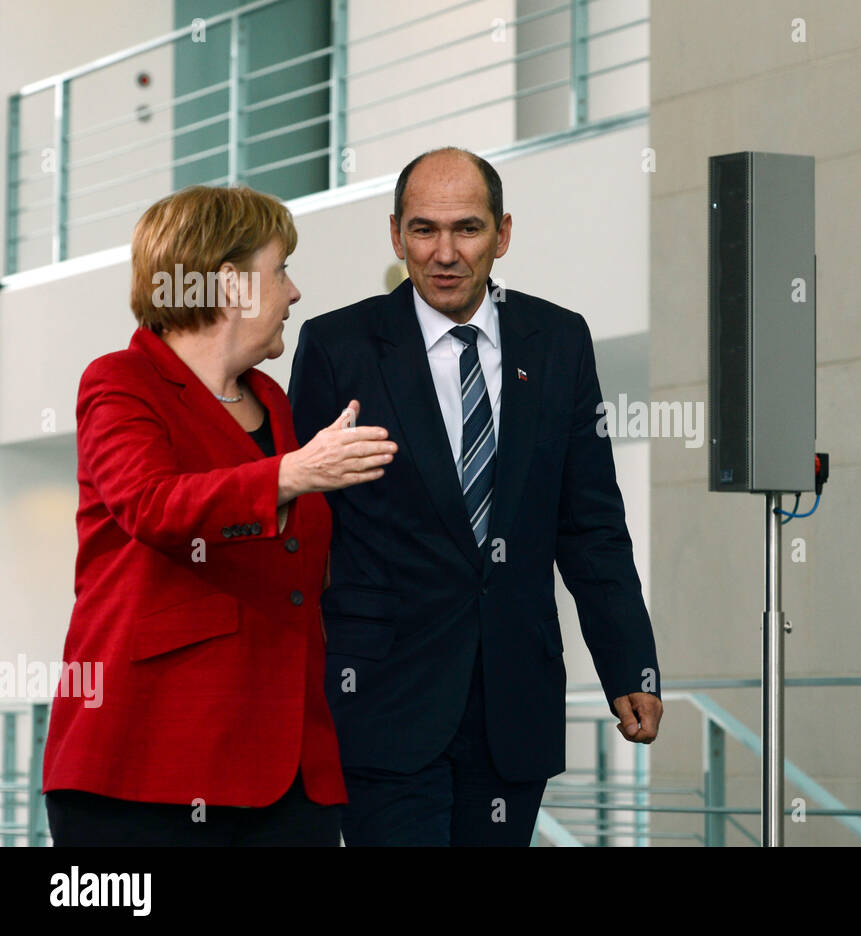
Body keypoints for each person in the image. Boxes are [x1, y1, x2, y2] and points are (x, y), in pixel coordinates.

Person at [288, 147, 663, 846]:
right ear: (396, 235)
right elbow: (305, 530)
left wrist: (628, 662)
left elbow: (591, 526)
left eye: (467, 229)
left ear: (503, 234)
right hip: (381, 699)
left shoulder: (557, 340)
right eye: (424, 230)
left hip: (512, 701)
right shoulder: (338, 346)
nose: (445, 253)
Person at [41, 185, 397, 846]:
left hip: (292, 774)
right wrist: (293, 474)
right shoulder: (120, 382)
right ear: (231, 285)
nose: (293, 293)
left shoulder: (275, 403)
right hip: (147, 771)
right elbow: (152, 505)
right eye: (281, 270)